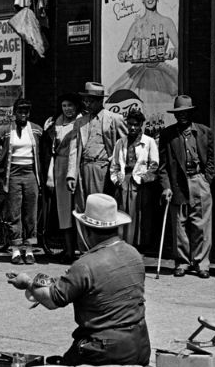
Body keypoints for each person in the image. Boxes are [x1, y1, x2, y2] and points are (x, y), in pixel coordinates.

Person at [7, 193, 151, 367]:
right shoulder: (134, 254)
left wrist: (28, 283)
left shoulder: (85, 265)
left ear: (87, 230)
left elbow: (52, 300)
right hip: (139, 344)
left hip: (104, 350)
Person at [158, 95, 215, 277]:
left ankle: (202, 263)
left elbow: (211, 159)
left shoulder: (205, 132)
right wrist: (166, 186)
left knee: (201, 224)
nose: (181, 116)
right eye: (178, 113)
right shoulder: (168, 135)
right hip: (177, 182)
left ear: (191, 113)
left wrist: (207, 179)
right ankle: (182, 262)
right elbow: (163, 166)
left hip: (199, 180)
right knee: (179, 224)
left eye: (185, 113)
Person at [113, 0, 179, 119]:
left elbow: (181, 49)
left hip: (161, 74)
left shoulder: (166, 22)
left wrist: (173, 52)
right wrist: (124, 55)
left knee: (162, 112)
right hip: (141, 74)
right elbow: (121, 52)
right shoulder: (137, 24)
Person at [0, 98, 44, 264]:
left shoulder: (37, 130)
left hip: (31, 174)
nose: (23, 114)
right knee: (14, 212)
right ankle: (16, 249)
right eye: (20, 111)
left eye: (26, 111)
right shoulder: (6, 131)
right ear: (14, 113)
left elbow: (45, 152)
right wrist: (0, 167)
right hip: (13, 175)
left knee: (31, 212)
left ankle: (30, 249)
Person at [67, 82, 126, 214]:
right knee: (83, 208)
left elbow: (125, 146)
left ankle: (101, 235)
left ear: (100, 101)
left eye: (91, 101)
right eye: (85, 101)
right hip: (83, 169)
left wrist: (119, 171)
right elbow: (73, 150)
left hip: (103, 169)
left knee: (101, 207)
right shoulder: (80, 122)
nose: (87, 104)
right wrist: (71, 175)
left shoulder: (115, 119)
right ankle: (86, 235)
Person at [42, 93, 83, 262]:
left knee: (79, 210)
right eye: (65, 105)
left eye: (71, 105)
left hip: (77, 167)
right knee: (64, 211)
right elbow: (50, 150)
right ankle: (68, 250)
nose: (67, 109)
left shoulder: (82, 122)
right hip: (59, 167)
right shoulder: (55, 123)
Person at [110, 108, 158, 248]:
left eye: (136, 124)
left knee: (140, 215)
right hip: (124, 182)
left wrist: (144, 178)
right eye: (130, 124)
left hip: (140, 183)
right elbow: (115, 165)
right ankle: (122, 244)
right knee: (122, 213)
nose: (132, 127)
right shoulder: (121, 142)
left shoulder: (149, 142)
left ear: (141, 125)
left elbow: (154, 165)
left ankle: (138, 246)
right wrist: (116, 180)